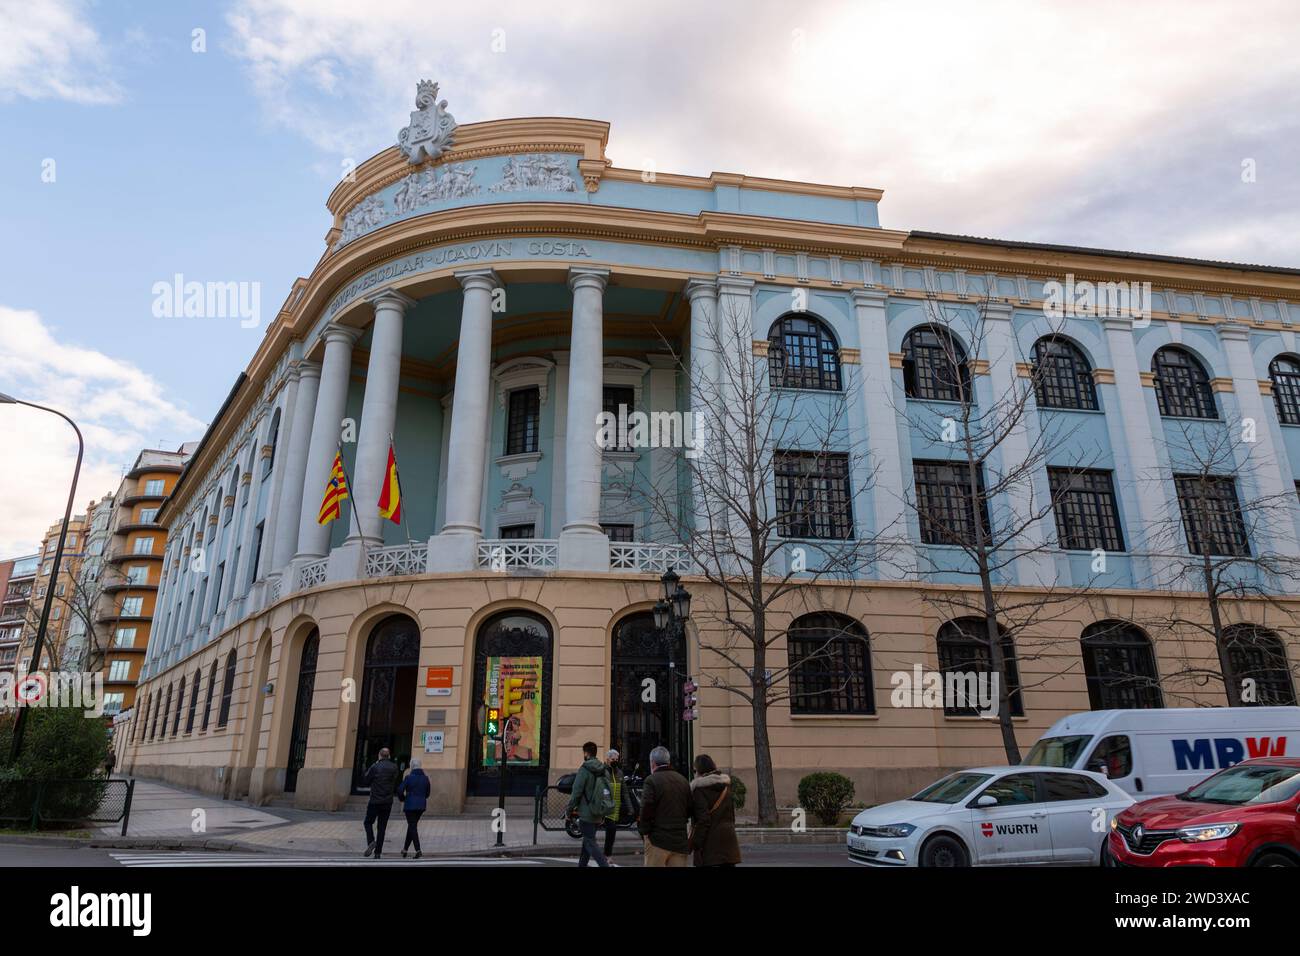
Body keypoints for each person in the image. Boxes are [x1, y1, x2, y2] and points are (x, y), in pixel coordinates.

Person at [638, 745, 691, 866]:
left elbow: (646, 808)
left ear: (652, 763)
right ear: (669, 762)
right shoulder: (683, 780)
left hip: (657, 841)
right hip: (679, 841)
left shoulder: (651, 780)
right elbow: (689, 809)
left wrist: (645, 832)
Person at [688, 754, 742, 867]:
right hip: (729, 842)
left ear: (699, 771)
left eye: (694, 770)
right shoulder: (726, 786)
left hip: (710, 846)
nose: (694, 774)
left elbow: (703, 820)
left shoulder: (699, 790)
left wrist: (695, 844)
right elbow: (731, 815)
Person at [565, 741, 611, 867]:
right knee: (587, 842)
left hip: (586, 814)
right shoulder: (603, 769)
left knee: (590, 843)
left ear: (586, 753)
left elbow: (576, 792)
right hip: (598, 812)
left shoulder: (584, 769)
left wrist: (569, 811)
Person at [361, 746, 400, 859]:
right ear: (389, 756)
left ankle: (371, 841)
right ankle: (378, 853)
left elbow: (366, 780)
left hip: (375, 801)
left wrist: (373, 766)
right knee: (382, 827)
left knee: (368, 822)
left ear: (379, 755)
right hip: (387, 801)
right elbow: (395, 780)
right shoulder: (394, 767)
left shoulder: (375, 767)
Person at [396, 757, 431, 859]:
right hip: (421, 806)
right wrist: (422, 798)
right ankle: (405, 849)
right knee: (412, 826)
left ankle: (418, 850)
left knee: (412, 826)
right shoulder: (425, 778)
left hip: (410, 805)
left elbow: (399, 790)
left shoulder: (408, 777)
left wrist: (403, 799)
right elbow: (428, 793)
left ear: (411, 766)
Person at [602, 749, 634, 858]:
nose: (615, 761)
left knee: (611, 833)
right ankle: (606, 856)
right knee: (611, 830)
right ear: (607, 760)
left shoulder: (620, 773)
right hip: (605, 807)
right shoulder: (603, 772)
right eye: (612, 759)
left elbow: (624, 792)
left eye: (616, 759)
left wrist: (630, 808)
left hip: (615, 808)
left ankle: (606, 855)